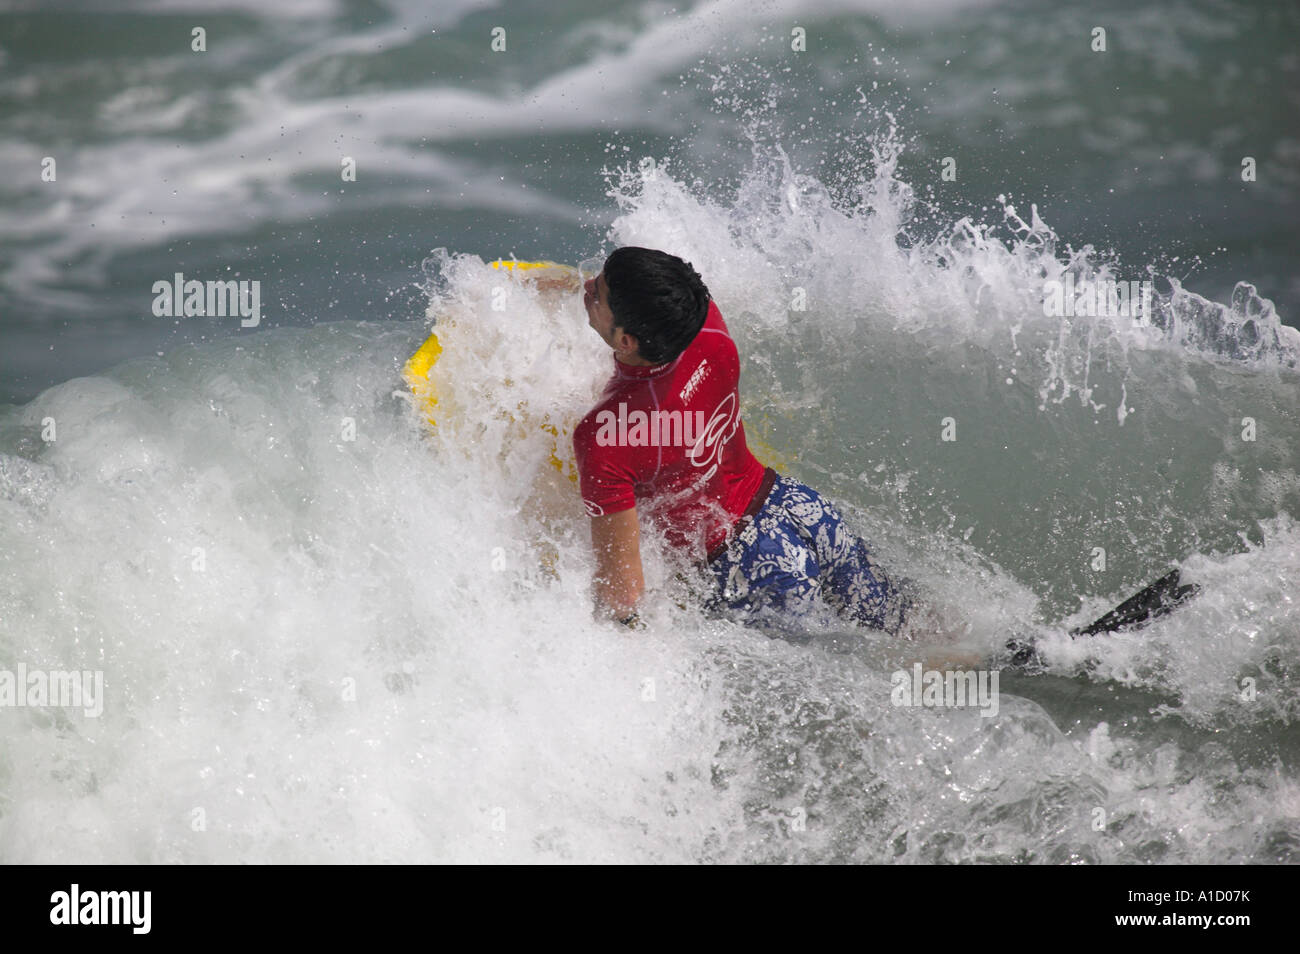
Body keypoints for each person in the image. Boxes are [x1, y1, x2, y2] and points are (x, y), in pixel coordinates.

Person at [573, 246, 913, 637]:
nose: (586, 285)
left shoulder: (605, 436)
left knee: (860, 673)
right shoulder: (705, 326)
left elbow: (624, 594)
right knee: (909, 630)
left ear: (627, 341)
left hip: (752, 568)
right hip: (804, 511)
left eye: (597, 292)